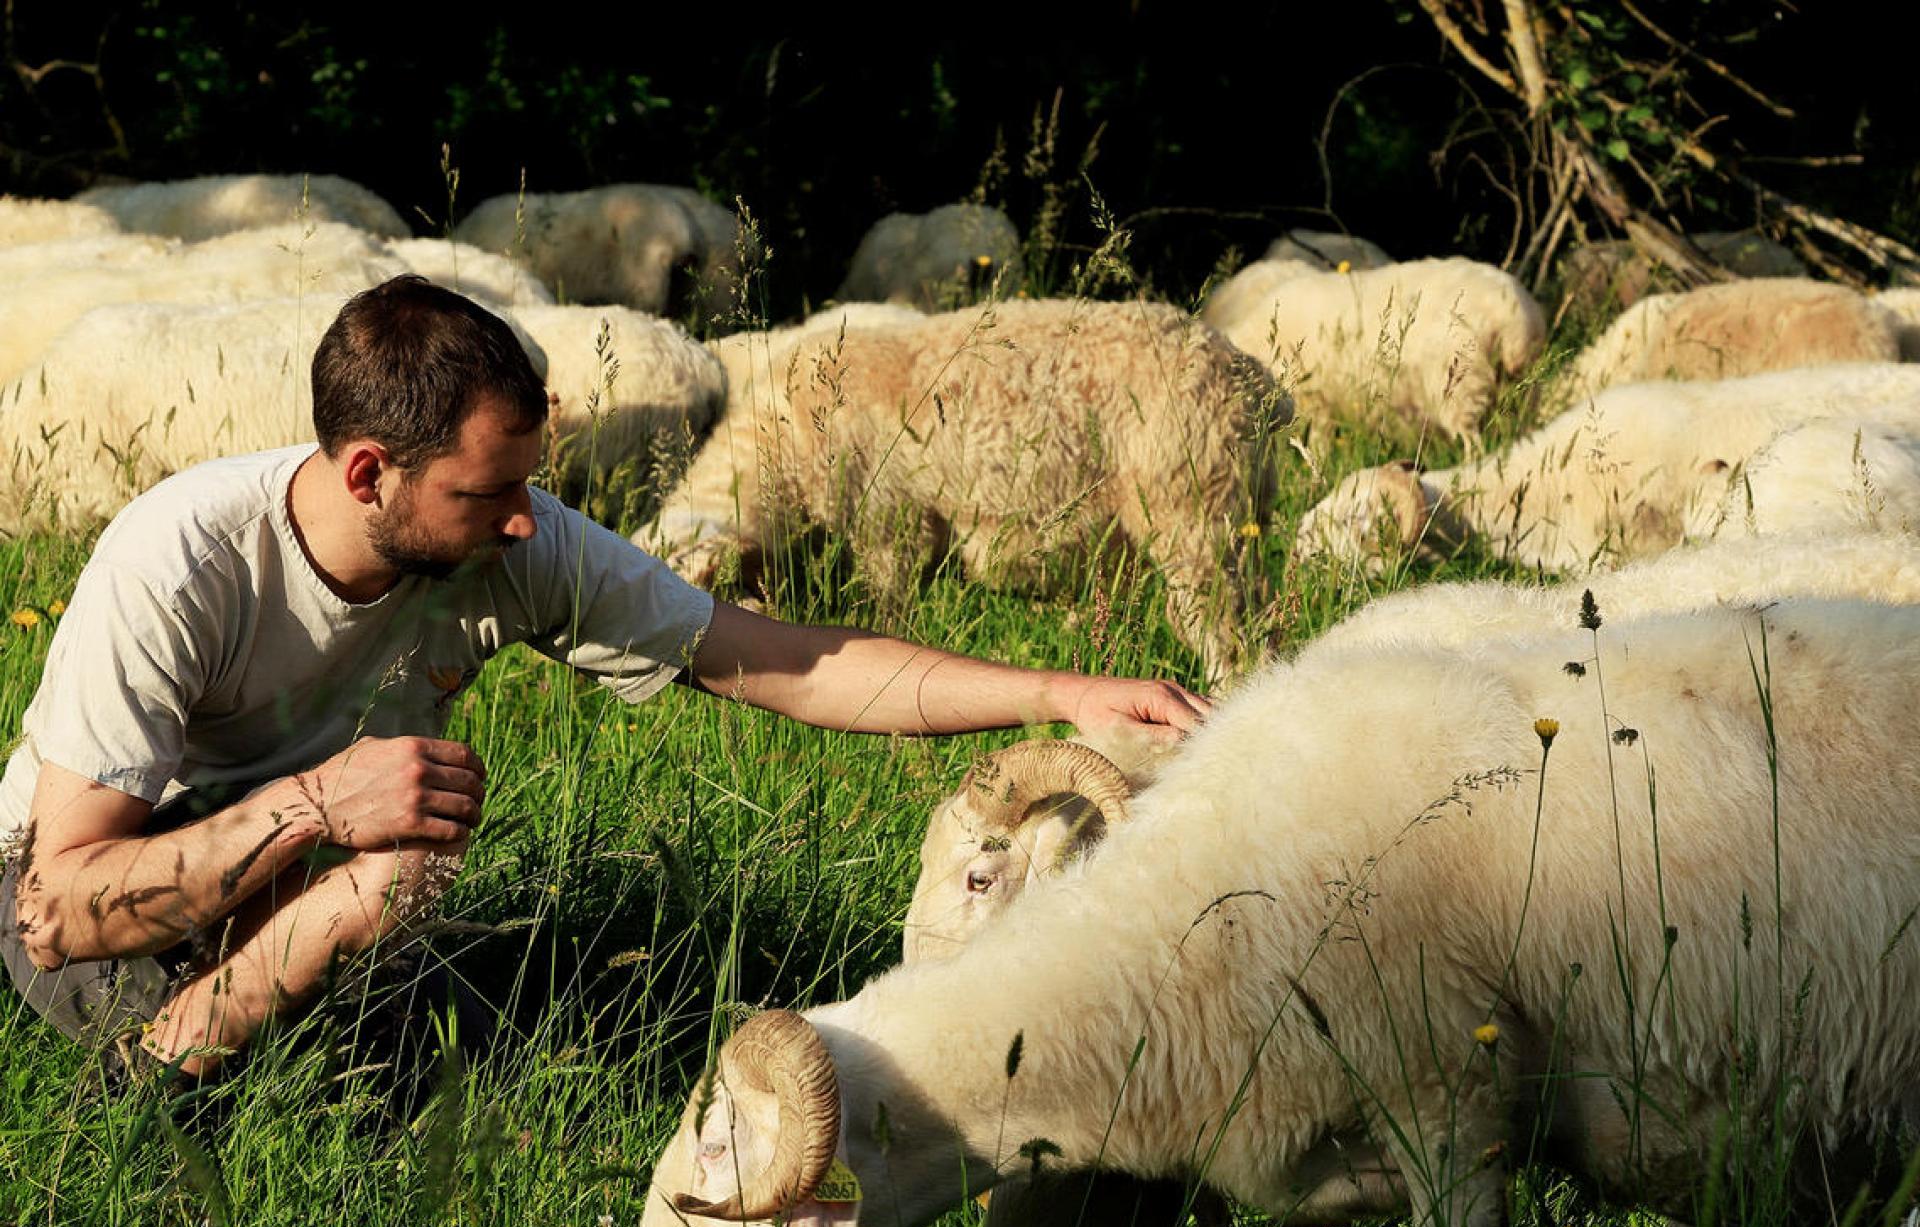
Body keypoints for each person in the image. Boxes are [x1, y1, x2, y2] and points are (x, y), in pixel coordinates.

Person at [0, 276, 1209, 1084]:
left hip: (312, 895)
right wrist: (318, 804)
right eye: (486, 492)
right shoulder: (183, 561)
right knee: (391, 897)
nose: (525, 522)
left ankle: (285, 1043)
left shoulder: (509, 540)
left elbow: (783, 664)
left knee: (473, 1021)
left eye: (528, 483)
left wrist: (1061, 695)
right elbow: (60, 909)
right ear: (369, 473)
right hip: (104, 907)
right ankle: (154, 1085)